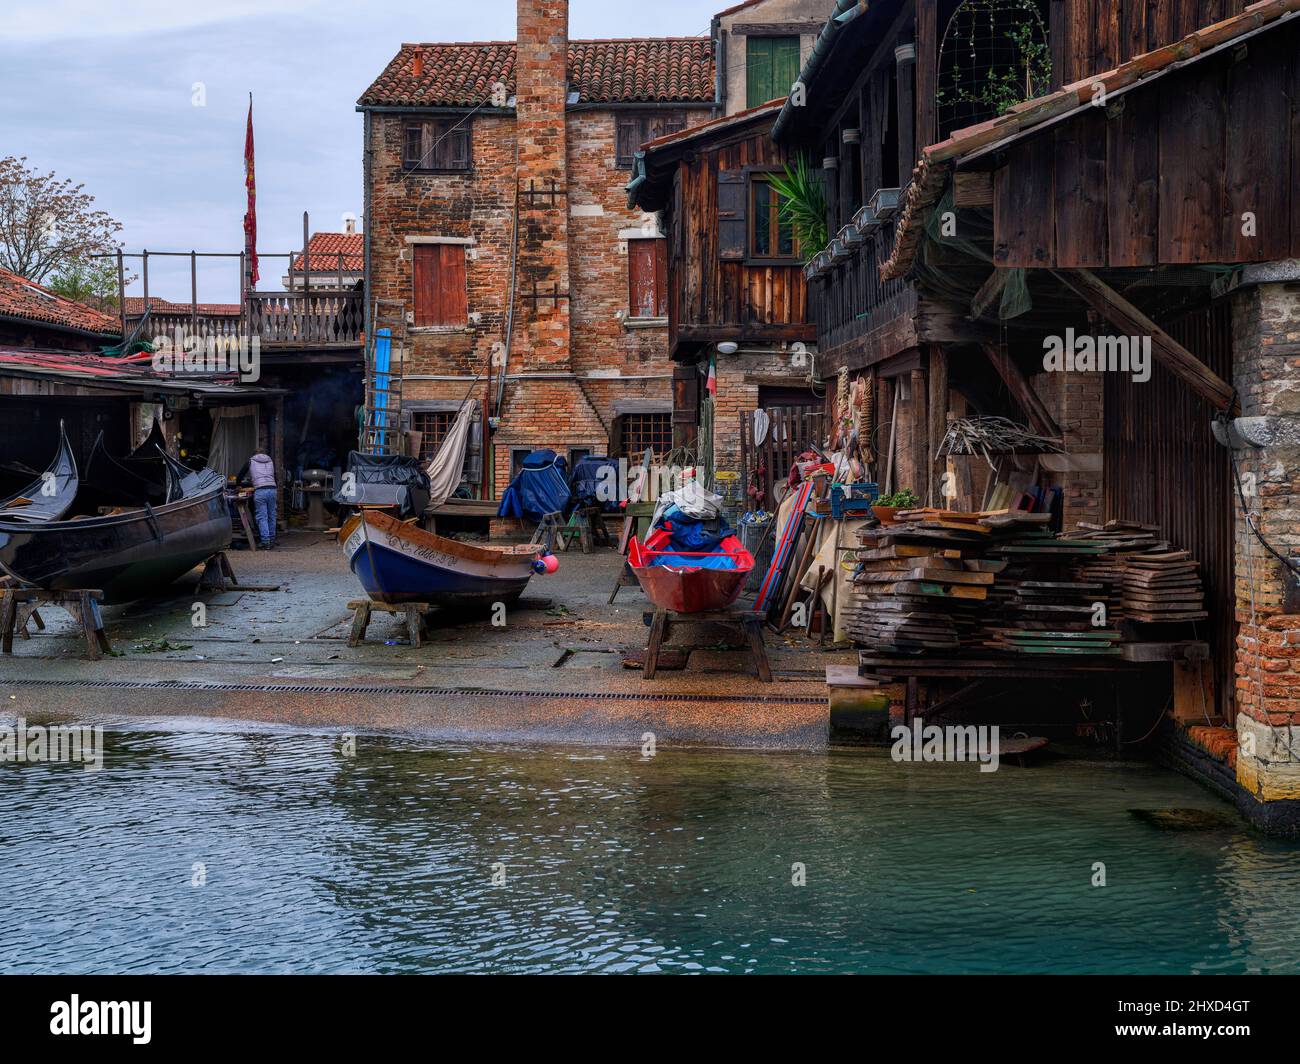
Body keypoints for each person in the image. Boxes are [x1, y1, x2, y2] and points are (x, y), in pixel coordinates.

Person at [245, 452, 278, 549]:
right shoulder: (270, 461)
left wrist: (238, 485)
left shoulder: (251, 461)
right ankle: (272, 540)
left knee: (262, 517)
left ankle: (265, 542)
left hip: (260, 490)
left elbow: (240, 474)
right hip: (272, 489)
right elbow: (275, 476)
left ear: (254, 454)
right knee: (272, 515)